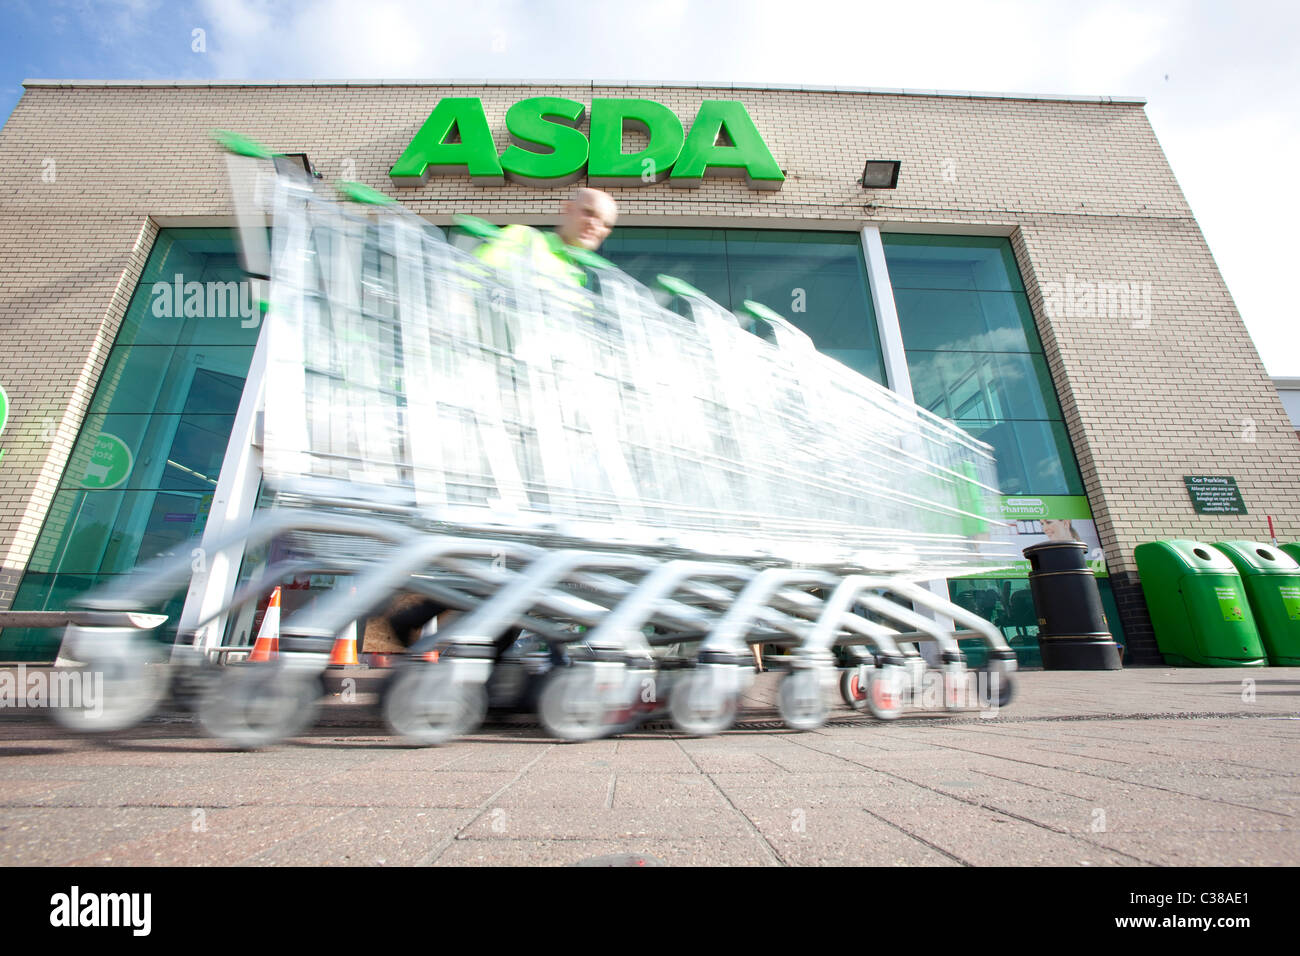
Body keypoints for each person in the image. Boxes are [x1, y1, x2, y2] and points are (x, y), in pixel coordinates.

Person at [386, 187, 619, 656]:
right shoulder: (524, 242)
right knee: (532, 542)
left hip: (543, 423)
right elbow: (466, 284)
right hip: (506, 413)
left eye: (606, 223)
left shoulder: (575, 279)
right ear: (567, 209)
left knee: (530, 545)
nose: (595, 226)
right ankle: (475, 646)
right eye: (589, 214)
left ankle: (457, 634)